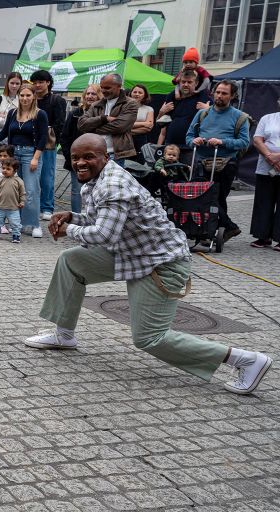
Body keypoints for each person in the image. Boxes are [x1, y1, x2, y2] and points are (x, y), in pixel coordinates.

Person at [31, 133, 272, 395]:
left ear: (106, 157)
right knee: (72, 261)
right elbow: (103, 221)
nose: (80, 163)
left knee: (149, 338)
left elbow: (103, 235)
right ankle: (64, 335)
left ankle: (245, 360)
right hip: (132, 254)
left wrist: (69, 229)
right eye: (75, 157)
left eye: (88, 157)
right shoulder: (98, 178)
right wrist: (73, 215)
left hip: (161, 264)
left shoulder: (113, 186)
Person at [0, 83, 49, 238]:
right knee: (14, 189)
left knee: (31, 190)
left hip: (31, 154)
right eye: (22, 95)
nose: (24, 98)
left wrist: (36, 159)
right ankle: (18, 223)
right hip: (14, 154)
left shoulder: (40, 114)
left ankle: (34, 224)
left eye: (28, 95)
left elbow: (43, 138)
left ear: (33, 97)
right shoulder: (12, 113)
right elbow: (3, 133)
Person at [186, 79, 251, 244]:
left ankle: (215, 231)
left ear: (232, 96)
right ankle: (222, 228)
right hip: (202, 160)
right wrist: (194, 141)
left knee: (218, 198)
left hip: (226, 162)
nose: (220, 96)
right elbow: (188, 136)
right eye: (218, 92)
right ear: (213, 93)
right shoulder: (203, 113)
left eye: (224, 93)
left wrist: (223, 142)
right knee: (202, 196)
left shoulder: (240, 117)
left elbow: (244, 142)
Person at [30, 70, 68, 220]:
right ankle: (33, 206)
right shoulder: (31, 98)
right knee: (31, 176)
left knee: (47, 176)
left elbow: (60, 123)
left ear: (48, 83)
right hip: (30, 141)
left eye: (41, 82)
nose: (38, 85)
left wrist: (53, 138)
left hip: (47, 143)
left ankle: (47, 207)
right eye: (35, 82)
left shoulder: (57, 100)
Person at [79, 73, 138, 164]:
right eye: (101, 87)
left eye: (107, 88)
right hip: (95, 153)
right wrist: (104, 118)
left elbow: (119, 127)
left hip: (116, 155)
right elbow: (81, 124)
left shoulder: (130, 103)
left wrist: (91, 129)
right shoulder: (96, 104)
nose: (103, 90)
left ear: (119, 86)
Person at [61, 84, 101, 213]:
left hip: (96, 159)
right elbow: (65, 136)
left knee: (97, 189)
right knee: (77, 189)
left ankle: (94, 217)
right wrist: (70, 156)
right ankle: (77, 218)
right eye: (88, 94)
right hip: (77, 159)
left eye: (93, 94)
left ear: (99, 96)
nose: (90, 96)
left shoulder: (102, 114)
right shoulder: (75, 113)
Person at [250, 107, 280, 249]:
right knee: (263, 202)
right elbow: (257, 140)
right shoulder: (267, 118)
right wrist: (269, 156)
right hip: (265, 167)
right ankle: (262, 237)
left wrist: (278, 157)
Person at [158, 70, 211, 148]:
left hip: (191, 147)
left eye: (189, 82)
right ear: (179, 83)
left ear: (196, 83)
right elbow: (160, 125)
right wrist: (161, 113)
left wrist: (209, 109)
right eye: (183, 82)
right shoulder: (171, 98)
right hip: (170, 146)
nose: (186, 84)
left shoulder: (204, 98)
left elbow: (217, 118)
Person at [0, 158, 26, 243]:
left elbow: (22, 193)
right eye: (3, 168)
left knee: (15, 222)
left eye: (8, 169)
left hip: (13, 208)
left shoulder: (19, 181)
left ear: (14, 170)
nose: (5, 170)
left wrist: (22, 201)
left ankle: (16, 235)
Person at [128, 84, 155, 162]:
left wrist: (128, 130)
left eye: (140, 92)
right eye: (135, 92)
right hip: (126, 141)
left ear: (145, 95)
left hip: (141, 141)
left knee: (139, 163)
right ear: (131, 93)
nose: (137, 94)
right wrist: (143, 123)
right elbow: (122, 125)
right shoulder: (124, 108)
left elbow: (148, 128)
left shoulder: (149, 109)